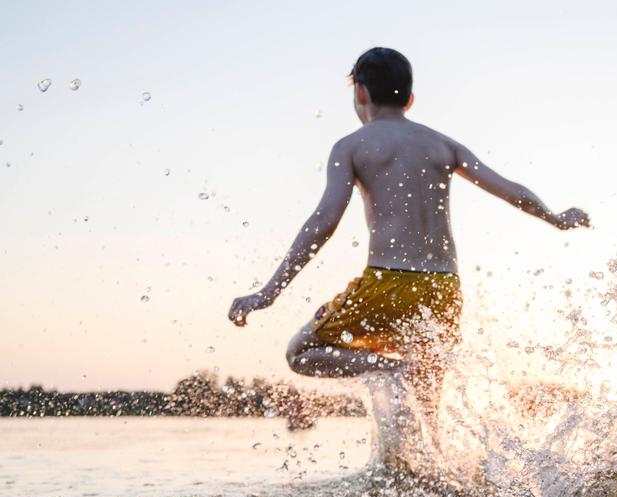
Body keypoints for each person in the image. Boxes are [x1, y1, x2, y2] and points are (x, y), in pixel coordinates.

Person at [228, 47, 590, 442]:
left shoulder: (351, 146)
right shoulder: (442, 144)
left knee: (301, 352)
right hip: (444, 290)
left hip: (389, 284)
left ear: (360, 93)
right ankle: (431, 473)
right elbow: (510, 191)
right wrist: (554, 218)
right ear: (410, 99)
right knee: (426, 412)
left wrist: (268, 293)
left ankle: (390, 371)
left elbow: (324, 221)